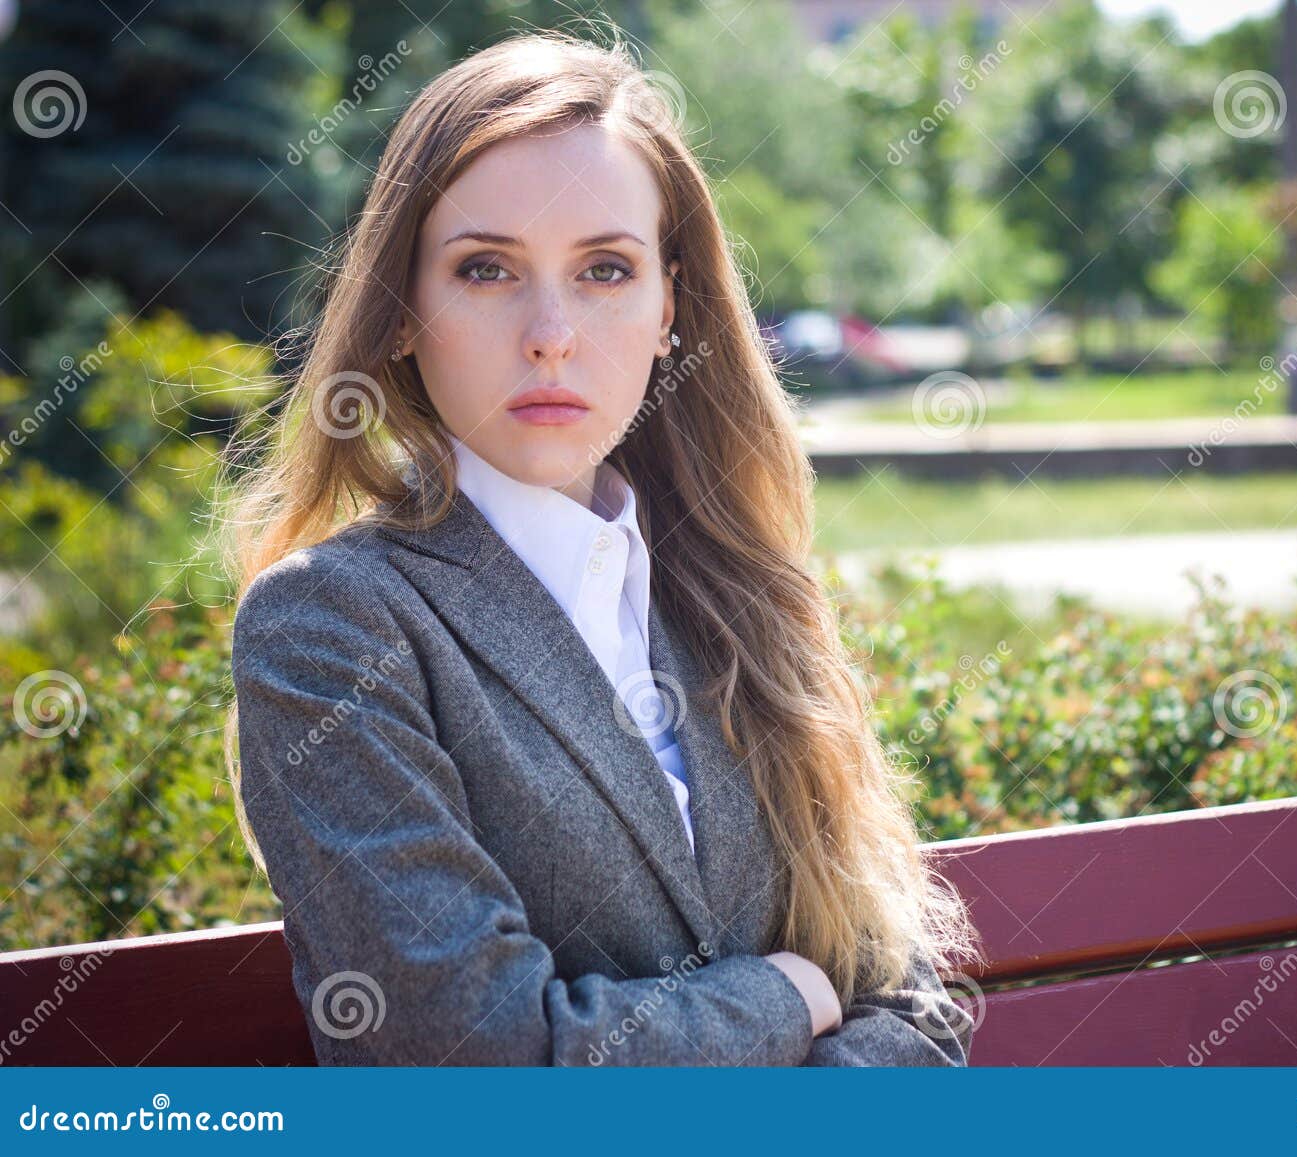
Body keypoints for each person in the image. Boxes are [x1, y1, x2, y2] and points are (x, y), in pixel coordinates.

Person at [221, 27, 979, 1067]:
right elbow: (478, 1062)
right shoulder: (332, 625)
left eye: (605, 270)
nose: (550, 332)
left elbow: (909, 1000)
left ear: (670, 306)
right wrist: (784, 994)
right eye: (486, 269)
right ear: (400, 311)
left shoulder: (735, 586)